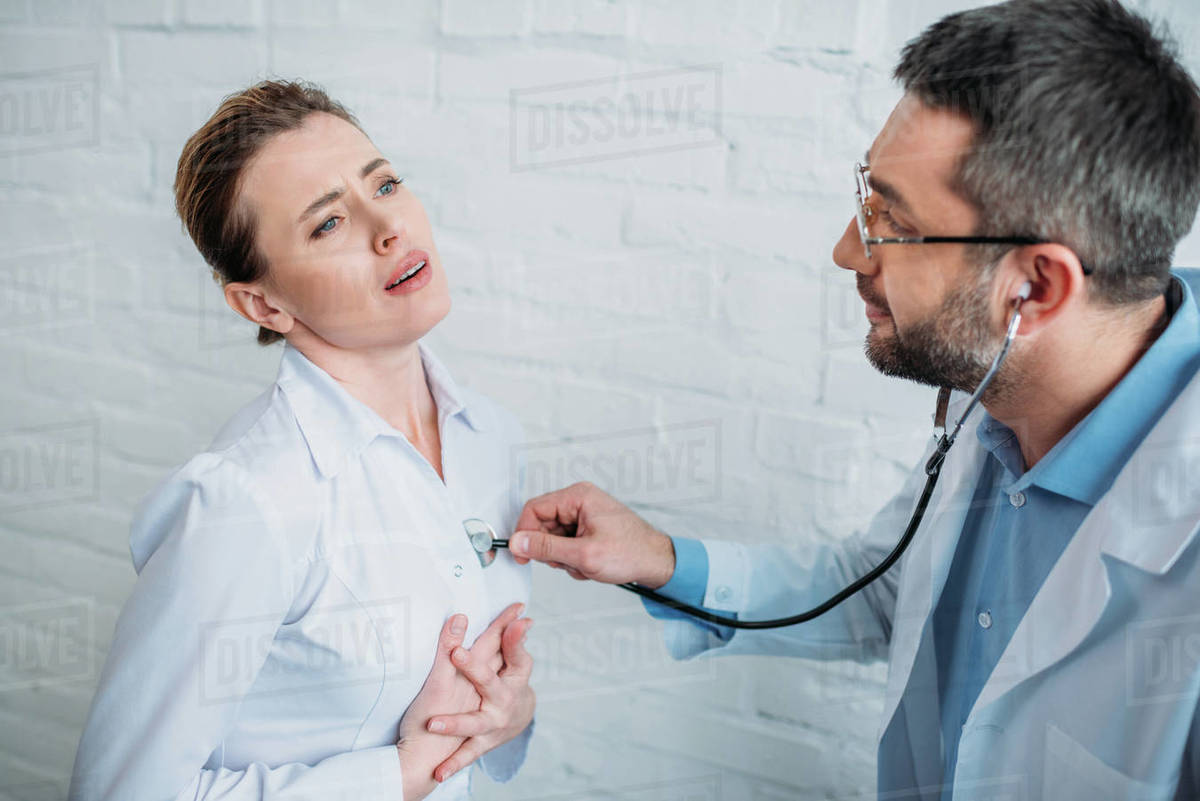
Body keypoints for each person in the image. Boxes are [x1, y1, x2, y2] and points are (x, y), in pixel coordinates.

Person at [507, 0, 1200, 797]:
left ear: (1035, 288)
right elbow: (892, 593)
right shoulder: (998, 388)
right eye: (865, 197)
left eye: (890, 222)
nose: (847, 249)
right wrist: (659, 560)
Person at [68, 80, 535, 801]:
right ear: (264, 303)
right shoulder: (248, 500)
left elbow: (479, 728)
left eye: (384, 183)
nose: (389, 228)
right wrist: (400, 773)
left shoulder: (488, 440)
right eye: (327, 224)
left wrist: (510, 716)